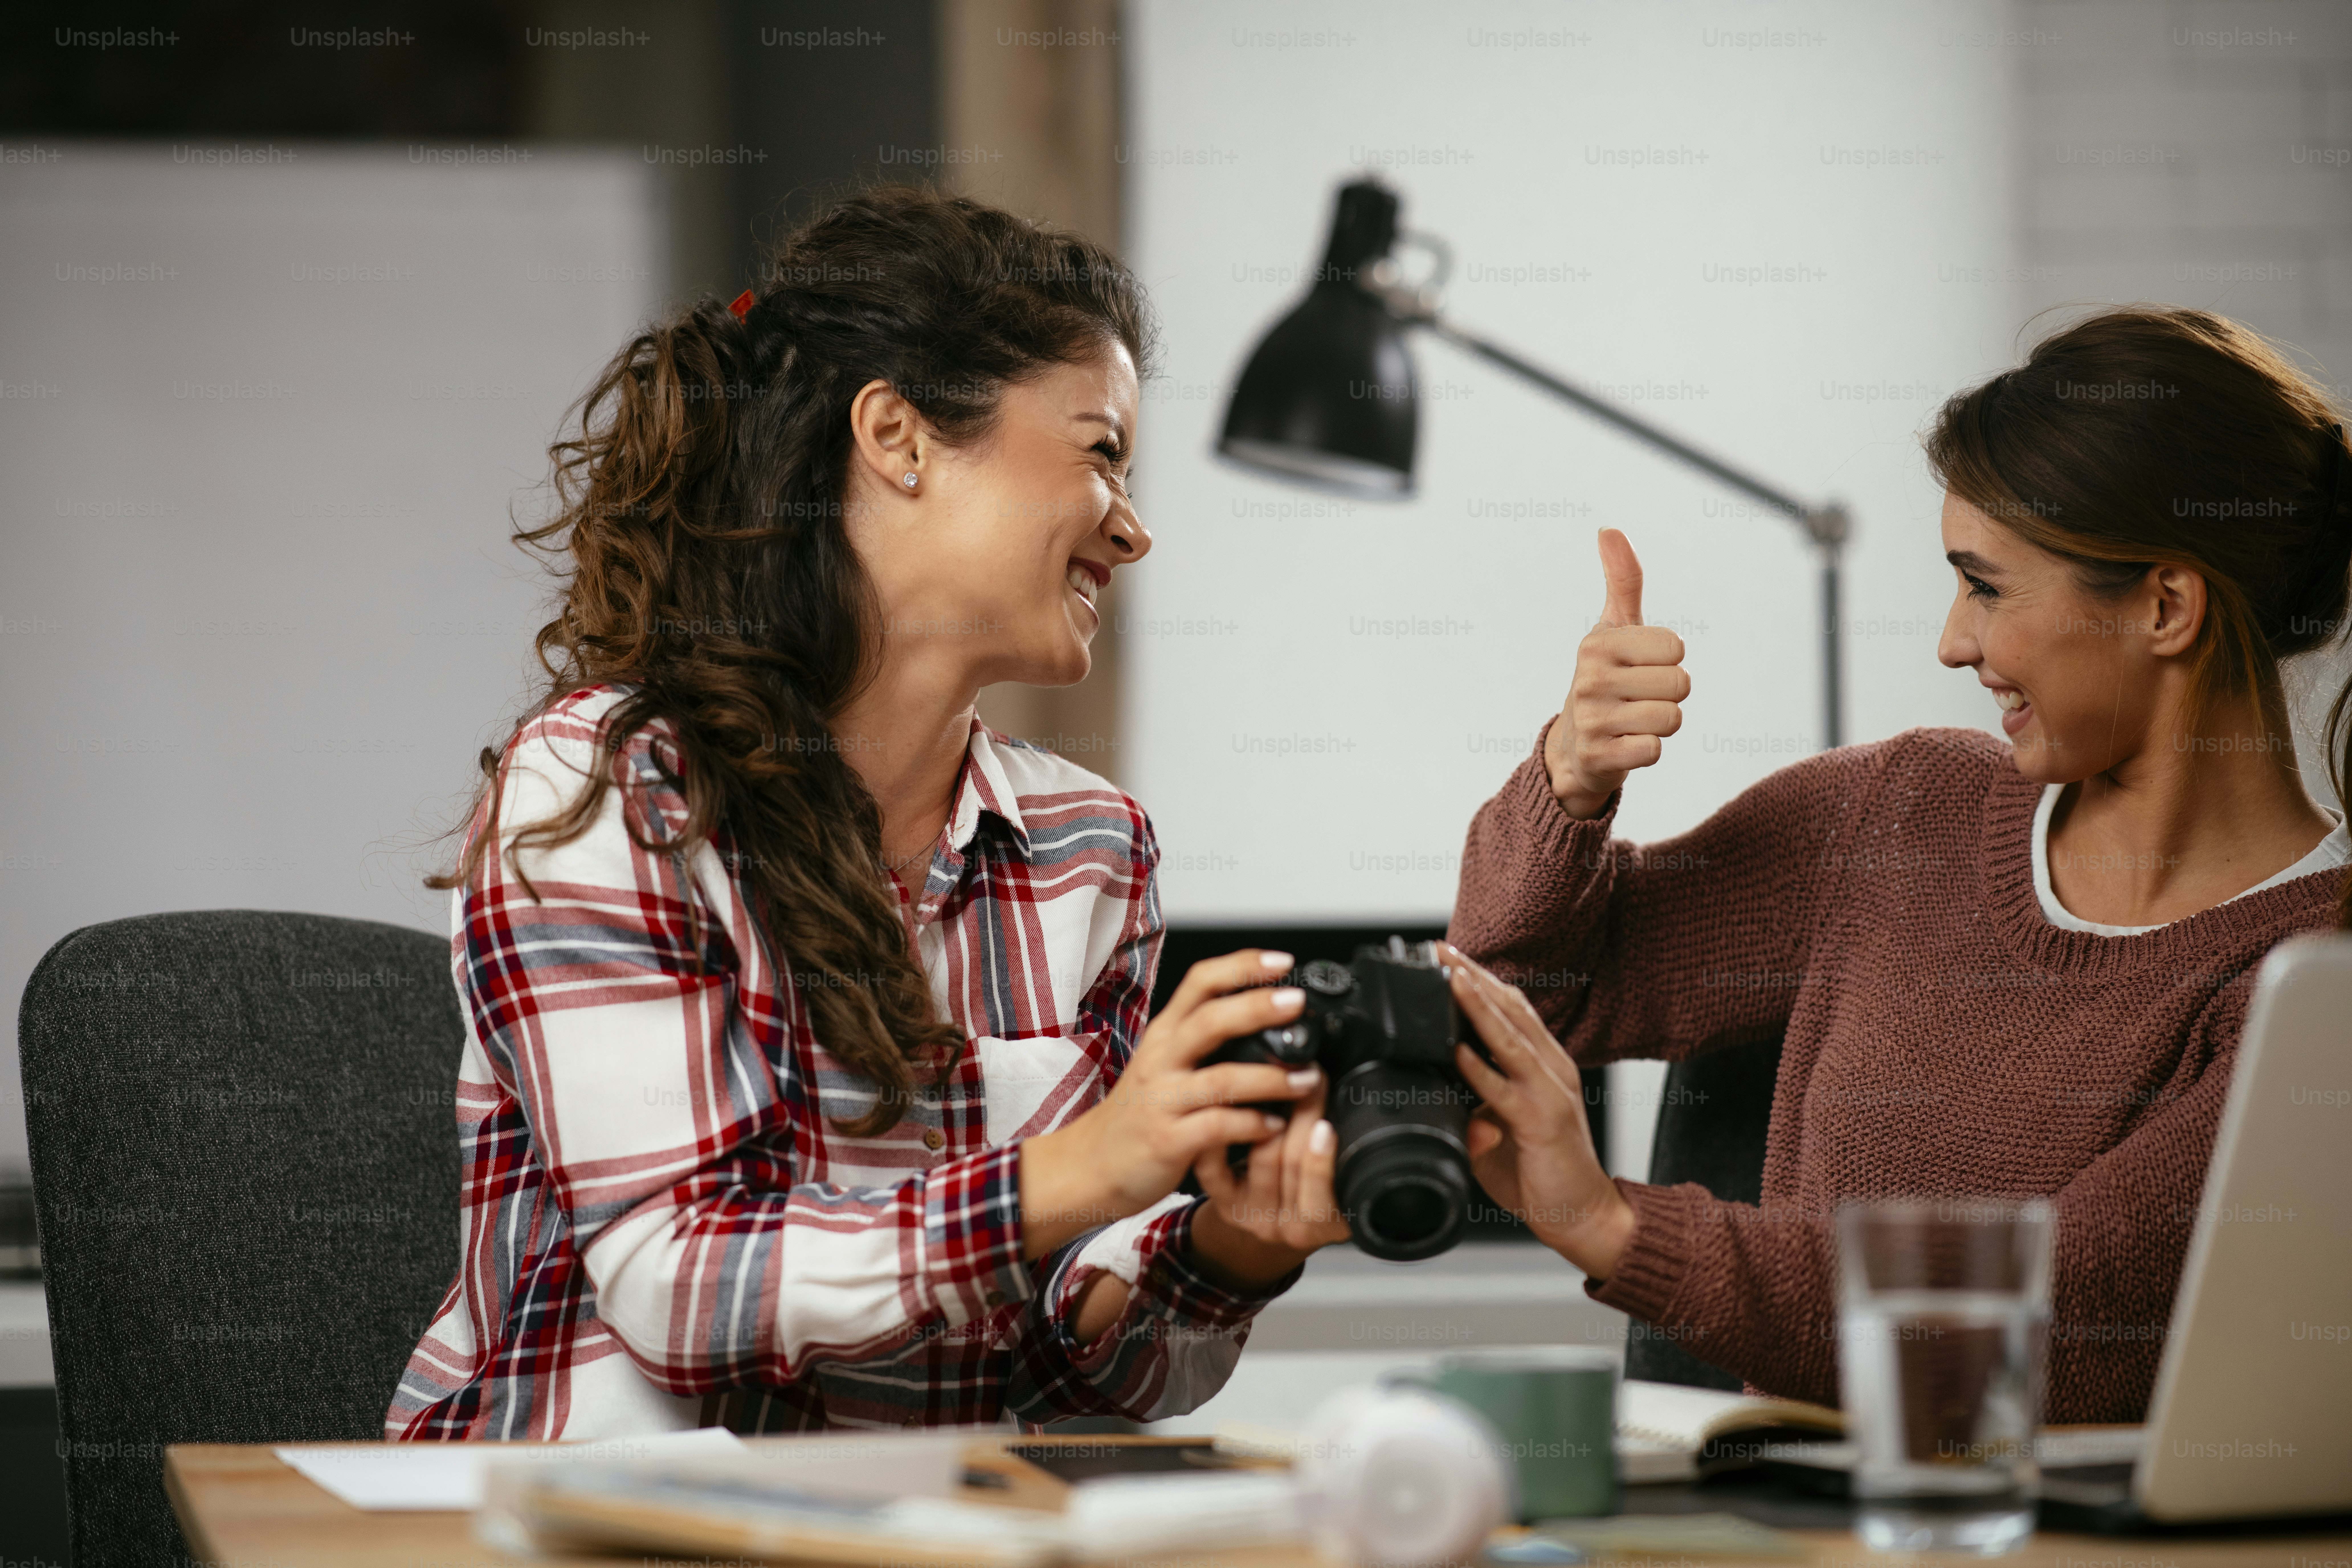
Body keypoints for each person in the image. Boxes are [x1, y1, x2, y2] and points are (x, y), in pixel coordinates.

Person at [387, 189, 1348, 1441]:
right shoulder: (611, 783)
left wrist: (1229, 1244)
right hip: (581, 1525)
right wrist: (1077, 1169)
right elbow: (676, 1280)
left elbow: (1066, 1389)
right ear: (898, 434)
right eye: (1101, 451)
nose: (1134, 527)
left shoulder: (1094, 850)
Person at [1442, 305, 2352, 1422]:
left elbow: (2067, 1314)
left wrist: (1608, 1221)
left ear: (2166, 605)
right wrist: (1570, 777)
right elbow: (1521, 999)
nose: (1953, 641)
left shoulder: (2317, 973)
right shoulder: (1908, 810)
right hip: (1806, 1524)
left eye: (1988, 585)